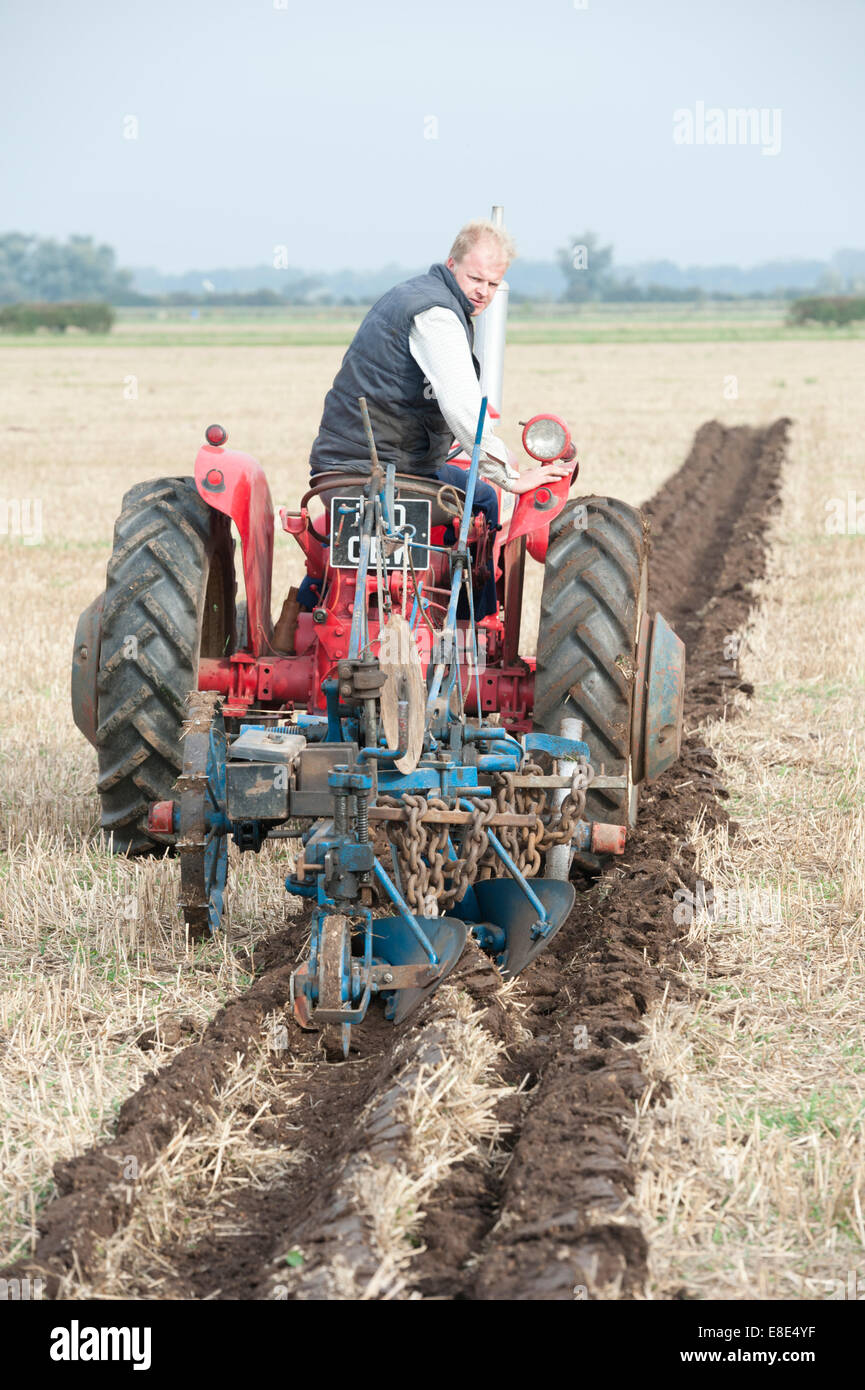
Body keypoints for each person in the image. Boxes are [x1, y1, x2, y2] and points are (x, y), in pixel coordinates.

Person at [308, 219, 573, 523]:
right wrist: (510, 478)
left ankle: (316, 574)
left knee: (335, 555)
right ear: (451, 264)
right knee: (486, 497)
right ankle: (468, 570)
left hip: (339, 466)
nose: (483, 292)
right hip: (376, 474)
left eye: (493, 284)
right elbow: (462, 409)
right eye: (475, 278)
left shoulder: (414, 294)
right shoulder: (438, 314)